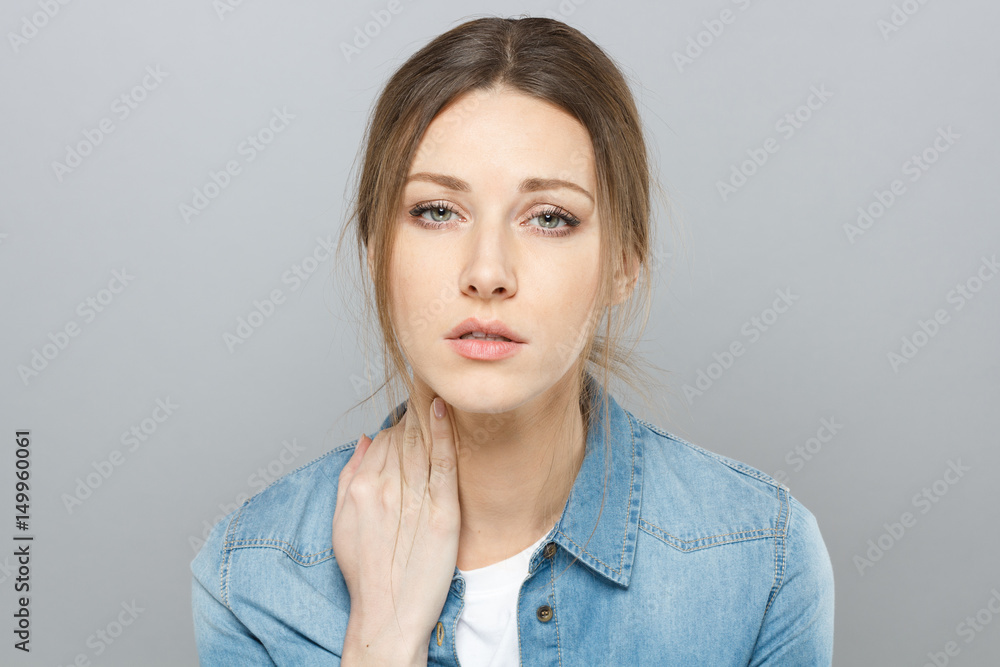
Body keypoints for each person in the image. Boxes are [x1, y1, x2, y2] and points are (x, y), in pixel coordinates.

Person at [191, 15, 834, 666]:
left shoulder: (761, 558)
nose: (487, 273)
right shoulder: (249, 578)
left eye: (549, 217)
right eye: (437, 211)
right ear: (377, 248)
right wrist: (382, 639)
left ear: (623, 263)